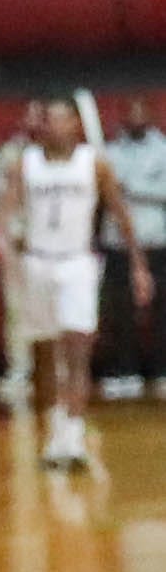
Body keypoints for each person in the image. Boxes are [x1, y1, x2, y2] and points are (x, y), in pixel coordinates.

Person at [15, 100, 150, 471]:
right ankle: (53, 431)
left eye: (62, 118)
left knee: (78, 348)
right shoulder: (24, 164)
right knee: (44, 357)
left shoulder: (94, 163)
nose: (55, 125)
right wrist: (1, 240)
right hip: (38, 261)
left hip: (77, 261)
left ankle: (73, 437)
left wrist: (138, 263)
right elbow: (5, 212)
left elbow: (121, 214)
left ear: (76, 124)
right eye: (50, 118)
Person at [103, 98, 166, 394]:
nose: (136, 118)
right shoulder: (110, 152)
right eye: (131, 113)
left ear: (151, 116)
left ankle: (162, 369)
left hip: (157, 240)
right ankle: (124, 369)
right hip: (118, 243)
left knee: (162, 309)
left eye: (142, 112)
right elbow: (106, 190)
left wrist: (132, 188)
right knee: (120, 309)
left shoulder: (163, 149)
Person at [0, 102, 43, 411]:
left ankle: (57, 370)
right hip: (17, 246)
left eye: (41, 115)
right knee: (17, 309)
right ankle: (20, 370)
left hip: (54, 248)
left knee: (54, 310)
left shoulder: (64, 156)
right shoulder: (6, 156)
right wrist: (3, 235)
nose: (35, 120)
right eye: (30, 114)